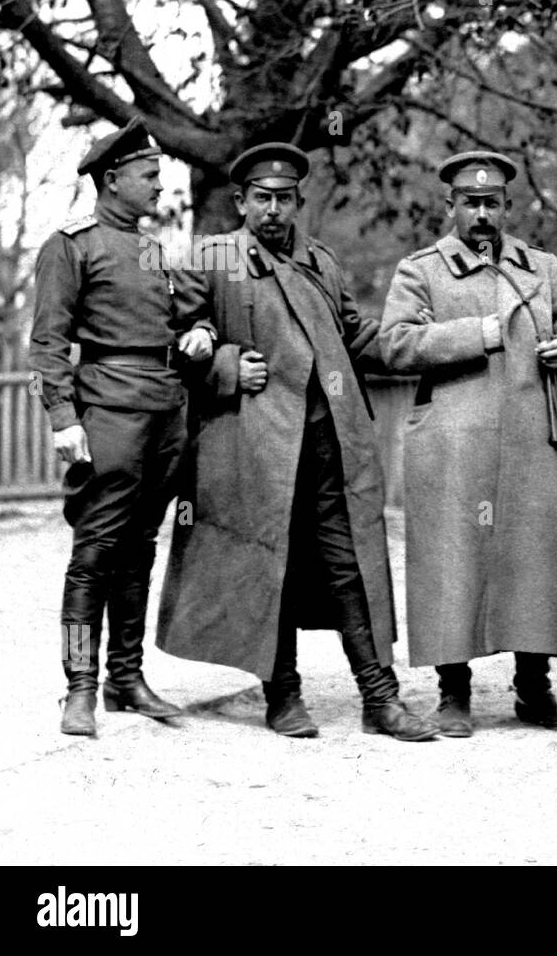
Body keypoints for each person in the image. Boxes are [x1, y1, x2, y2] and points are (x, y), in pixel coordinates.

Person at [157, 143, 437, 741]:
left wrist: (435, 346)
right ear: (241, 201)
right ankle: (282, 696)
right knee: (269, 566)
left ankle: (379, 699)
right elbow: (176, 342)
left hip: (329, 441)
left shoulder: (321, 261)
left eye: (285, 199)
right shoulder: (213, 259)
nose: (274, 210)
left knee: (350, 565)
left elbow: (356, 336)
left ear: (297, 202)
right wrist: (227, 366)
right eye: (262, 198)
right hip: (255, 449)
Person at [377, 150, 557, 737]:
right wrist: (478, 334)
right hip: (453, 441)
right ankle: (453, 693)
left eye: (492, 204)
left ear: (507, 207)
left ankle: (534, 689)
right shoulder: (420, 271)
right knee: (451, 562)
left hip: (530, 442)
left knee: (533, 561)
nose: (483, 215)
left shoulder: (541, 268)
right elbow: (393, 345)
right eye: (471, 203)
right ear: (451, 207)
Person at [30, 117, 216, 737]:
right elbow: (48, 341)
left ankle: (125, 679)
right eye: (148, 176)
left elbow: (196, 314)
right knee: (95, 552)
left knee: (140, 548)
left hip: (167, 411)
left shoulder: (156, 249)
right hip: (108, 410)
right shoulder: (72, 245)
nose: (159, 188)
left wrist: (200, 333)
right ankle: (78, 686)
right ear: (112, 181)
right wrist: (62, 417)